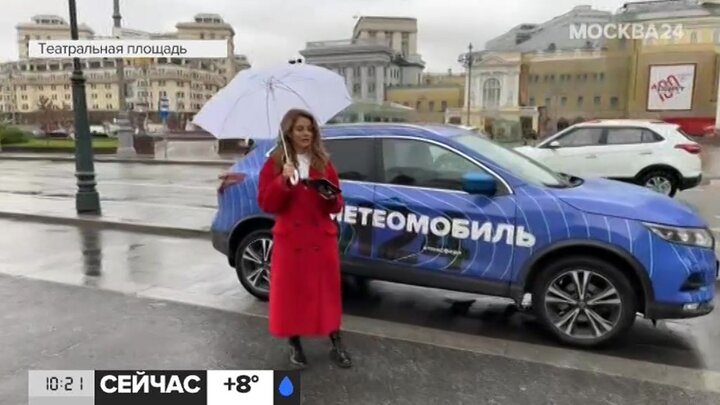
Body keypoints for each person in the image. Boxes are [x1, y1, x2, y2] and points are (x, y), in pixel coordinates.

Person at [257, 108, 351, 369]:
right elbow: (267, 203)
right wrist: (282, 181)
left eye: (309, 129)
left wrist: (330, 195)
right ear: (289, 132)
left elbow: (337, 204)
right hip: (292, 240)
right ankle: (295, 343)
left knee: (326, 294)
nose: (306, 133)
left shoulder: (323, 163)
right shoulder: (276, 163)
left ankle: (336, 341)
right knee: (292, 295)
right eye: (299, 129)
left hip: (320, 238)